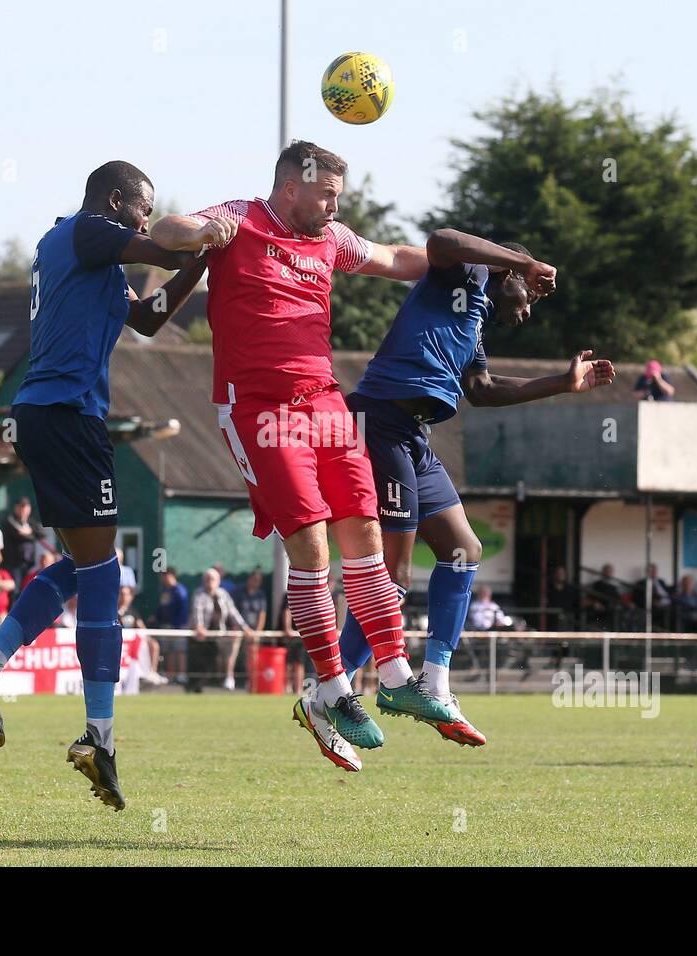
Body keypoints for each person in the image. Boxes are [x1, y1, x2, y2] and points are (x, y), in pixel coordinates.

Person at [152, 141, 493, 771]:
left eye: (339, 193)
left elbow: (395, 258)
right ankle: (331, 689)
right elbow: (166, 229)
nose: (336, 203)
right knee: (309, 540)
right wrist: (202, 230)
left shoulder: (332, 238)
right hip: (257, 408)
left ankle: (392, 676)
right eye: (327, 192)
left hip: (325, 402)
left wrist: (486, 267)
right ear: (290, 187)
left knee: (363, 529)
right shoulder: (241, 218)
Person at [0, 159, 207, 811]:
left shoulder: (81, 252)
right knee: (102, 576)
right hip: (66, 414)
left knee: (89, 565)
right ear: (114, 200)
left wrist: (200, 269)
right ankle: (98, 735)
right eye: (141, 206)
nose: (145, 218)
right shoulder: (90, 230)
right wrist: (213, 236)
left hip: (51, 415)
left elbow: (145, 320)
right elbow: (164, 245)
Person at [319, 225, 606, 745]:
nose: (529, 305)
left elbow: (484, 390)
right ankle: (330, 692)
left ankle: (434, 680)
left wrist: (562, 384)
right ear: (505, 268)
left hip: (412, 434)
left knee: (463, 549)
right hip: (378, 423)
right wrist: (523, 262)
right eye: (527, 290)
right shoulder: (458, 271)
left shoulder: (473, 321)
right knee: (395, 575)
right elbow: (443, 239)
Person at [189, 568, 253, 693]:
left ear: (218, 581)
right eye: (207, 579)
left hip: (220, 633)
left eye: (212, 579)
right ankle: (200, 684)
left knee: (234, 641)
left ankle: (229, 677)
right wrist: (199, 627)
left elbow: (233, 613)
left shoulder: (223, 594)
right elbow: (197, 612)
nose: (209, 582)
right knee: (205, 658)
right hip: (204, 635)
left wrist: (245, 628)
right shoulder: (199, 594)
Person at [225, 569, 268, 690]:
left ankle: (250, 681)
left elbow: (262, 614)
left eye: (258, 581)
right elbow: (232, 612)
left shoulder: (260, 595)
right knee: (232, 653)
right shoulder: (238, 592)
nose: (255, 582)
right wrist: (238, 628)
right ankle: (229, 678)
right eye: (254, 579)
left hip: (253, 632)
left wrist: (257, 632)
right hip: (238, 630)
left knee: (252, 657)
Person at [152, 567, 191, 683]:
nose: (163, 578)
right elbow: (161, 607)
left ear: (172, 576)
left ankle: (182, 674)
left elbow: (183, 609)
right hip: (166, 626)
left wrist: (177, 625)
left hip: (178, 627)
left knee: (179, 650)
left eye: (166, 575)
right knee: (169, 651)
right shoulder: (165, 591)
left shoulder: (179, 590)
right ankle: (171, 674)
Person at [1, 498, 42, 591]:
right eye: (21, 507)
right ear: (16, 508)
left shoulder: (31, 522)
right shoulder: (10, 521)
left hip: (29, 563)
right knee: (16, 590)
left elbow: (41, 533)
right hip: (14, 563)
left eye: (26, 507)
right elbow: (18, 535)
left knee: (28, 589)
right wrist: (32, 535)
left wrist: (29, 532)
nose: (23, 510)